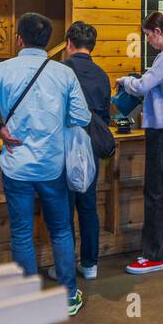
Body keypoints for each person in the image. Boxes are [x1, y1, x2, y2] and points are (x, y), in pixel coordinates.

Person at [0, 12, 91, 316]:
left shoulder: (2, 70)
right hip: (52, 165)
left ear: (19, 39)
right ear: (47, 41)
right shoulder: (63, 73)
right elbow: (82, 117)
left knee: (20, 232)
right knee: (60, 230)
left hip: (16, 165)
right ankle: (69, 295)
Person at [117, 11, 163, 275]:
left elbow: (142, 86)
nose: (148, 41)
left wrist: (124, 81)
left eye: (148, 36)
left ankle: (152, 255)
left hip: (162, 131)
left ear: (158, 33)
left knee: (156, 193)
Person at [61, 20, 110, 279]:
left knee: (65, 208)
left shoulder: (60, 71)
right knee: (88, 207)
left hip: (64, 144)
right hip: (91, 146)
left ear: (69, 43)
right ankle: (90, 264)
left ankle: (66, 267)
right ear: (92, 46)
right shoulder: (102, 75)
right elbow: (106, 115)